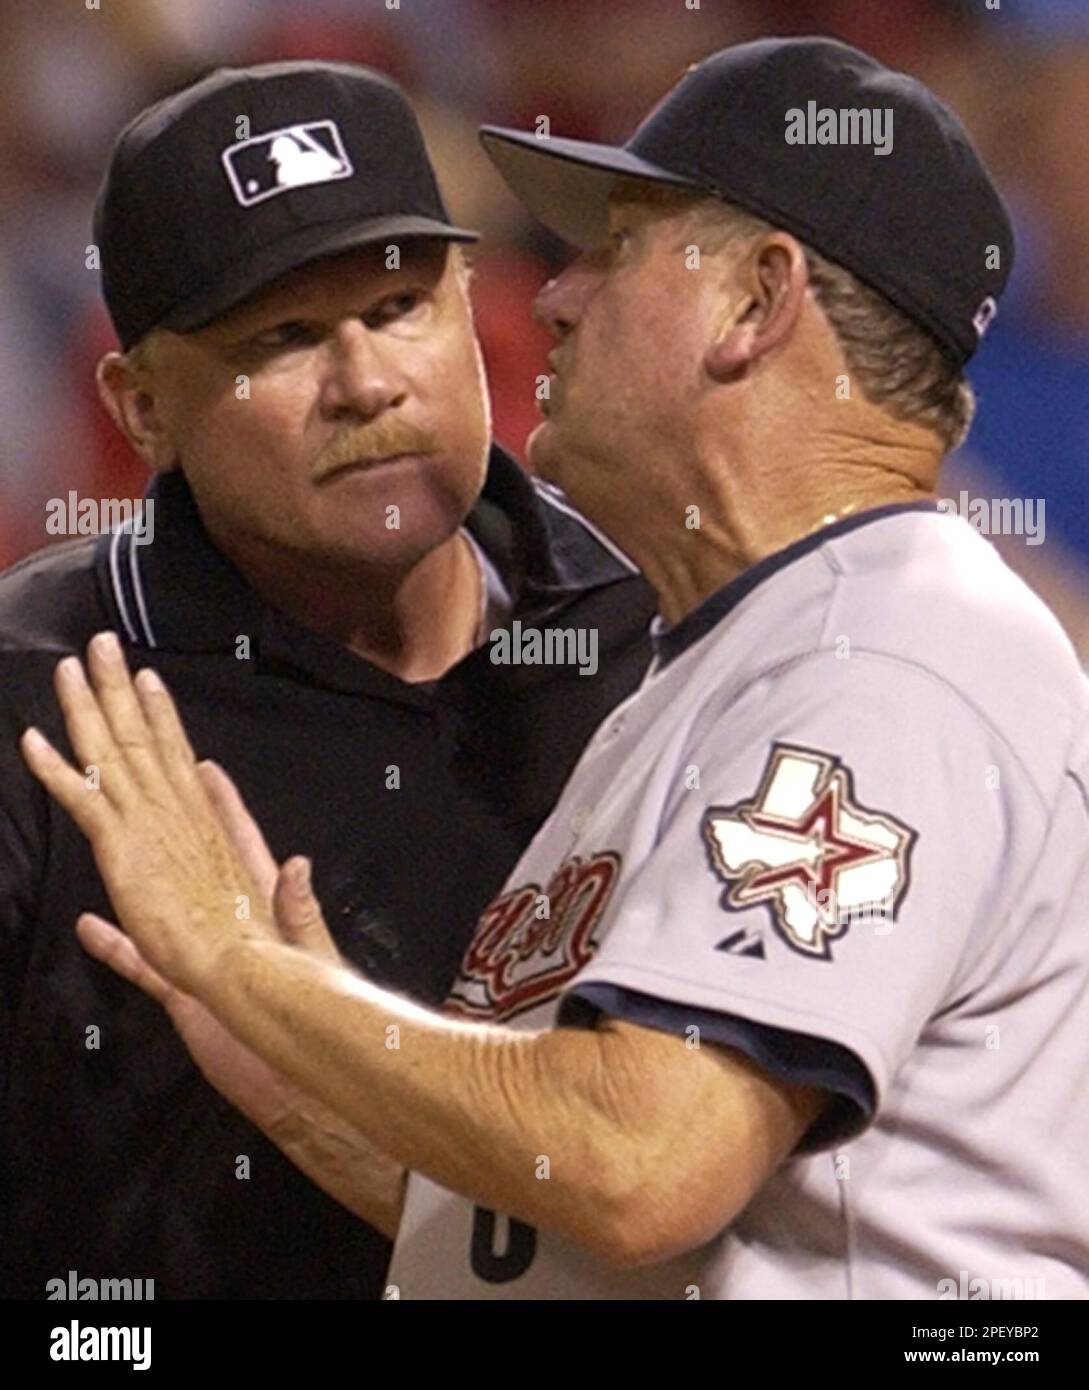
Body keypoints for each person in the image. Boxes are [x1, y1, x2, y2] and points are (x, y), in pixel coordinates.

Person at [23, 37, 1089, 1300]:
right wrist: (298, 1062)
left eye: (617, 247)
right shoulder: (714, 667)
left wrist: (241, 962)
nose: (558, 298)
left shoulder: (891, 657)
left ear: (756, 300)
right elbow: (559, 1254)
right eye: (291, 335)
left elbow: (639, 1168)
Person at [0, 60, 656, 1300]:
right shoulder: (39, 699)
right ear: (142, 409)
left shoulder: (654, 633)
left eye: (403, 305)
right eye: (285, 337)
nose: (367, 383)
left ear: (477, 310)